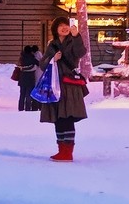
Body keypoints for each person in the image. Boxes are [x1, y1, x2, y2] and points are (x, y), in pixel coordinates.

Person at [40, 17, 87, 162]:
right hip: (54, 86)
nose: (64, 28)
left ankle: (68, 151)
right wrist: (52, 59)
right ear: (55, 29)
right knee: (58, 118)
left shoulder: (73, 41)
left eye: (66, 25)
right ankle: (61, 150)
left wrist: (76, 36)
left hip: (70, 86)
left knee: (67, 117)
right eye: (61, 25)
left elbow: (80, 52)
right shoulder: (52, 44)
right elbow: (42, 64)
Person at [17, 45, 41, 112]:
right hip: (30, 79)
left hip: (22, 79)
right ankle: (28, 108)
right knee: (28, 95)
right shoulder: (32, 58)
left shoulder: (21, 58)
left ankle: (20, 108)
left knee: (22, 95)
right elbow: (39, 64)